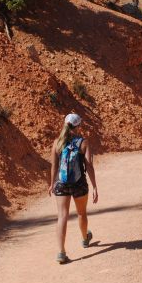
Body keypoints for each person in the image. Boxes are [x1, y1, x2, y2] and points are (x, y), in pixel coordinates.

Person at [49, 113, 99, 264]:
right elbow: (89, 166)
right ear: (78, 126)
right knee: (81, 213)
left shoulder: (57, 142)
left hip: (61, 184)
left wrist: (52, 184)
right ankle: (85, 239)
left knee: (62, 216)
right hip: (79, 184)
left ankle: (61, 253)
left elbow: (54, 166)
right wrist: (95, 186)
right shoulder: (83, 142)